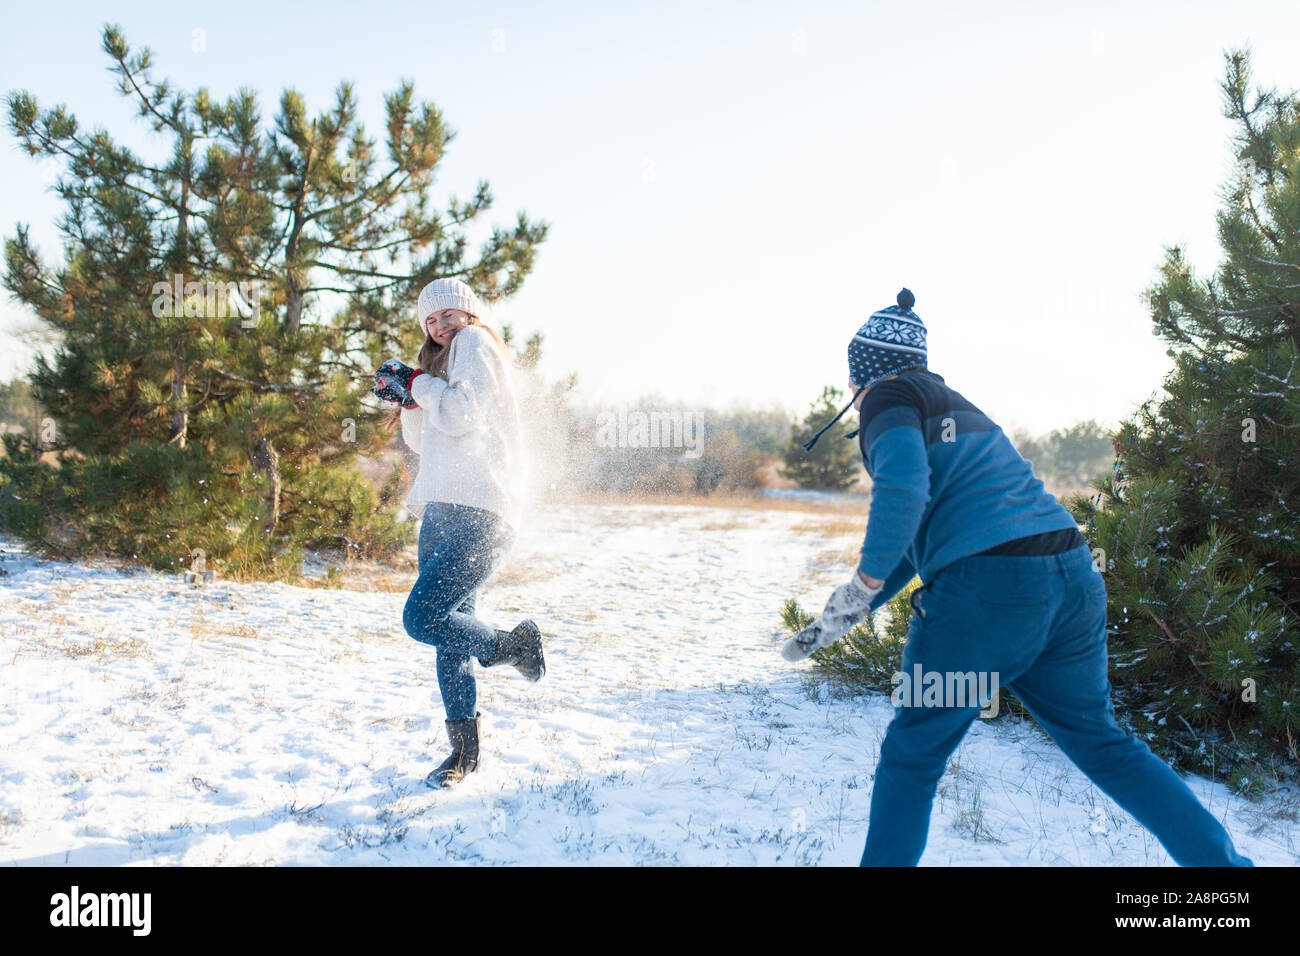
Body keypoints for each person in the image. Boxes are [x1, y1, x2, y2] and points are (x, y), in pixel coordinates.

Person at [784, 288, 1253, 867]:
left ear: (864, 374)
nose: (855, 400)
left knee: (914, 754)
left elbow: (902, 492)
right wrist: (843, 617)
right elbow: (919, 533)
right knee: (1103, 745)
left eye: (854, 384)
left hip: (989, 595)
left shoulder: (889, 400)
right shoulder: (960, 408)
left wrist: (861, 584)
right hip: (1071, 578)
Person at [371, 277, 544, 789]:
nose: (442, 325)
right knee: (449, 633)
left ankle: (515, 646)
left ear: (469, 314)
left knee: (422, 618)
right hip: (442, 507)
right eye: (431, 319)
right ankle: (463, 756)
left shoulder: (476, 343)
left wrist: (418, 382)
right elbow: (426, 438)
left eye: (450, 314)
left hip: (482, 508)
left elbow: (464, 413)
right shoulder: (444, 363)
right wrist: (409, 396)